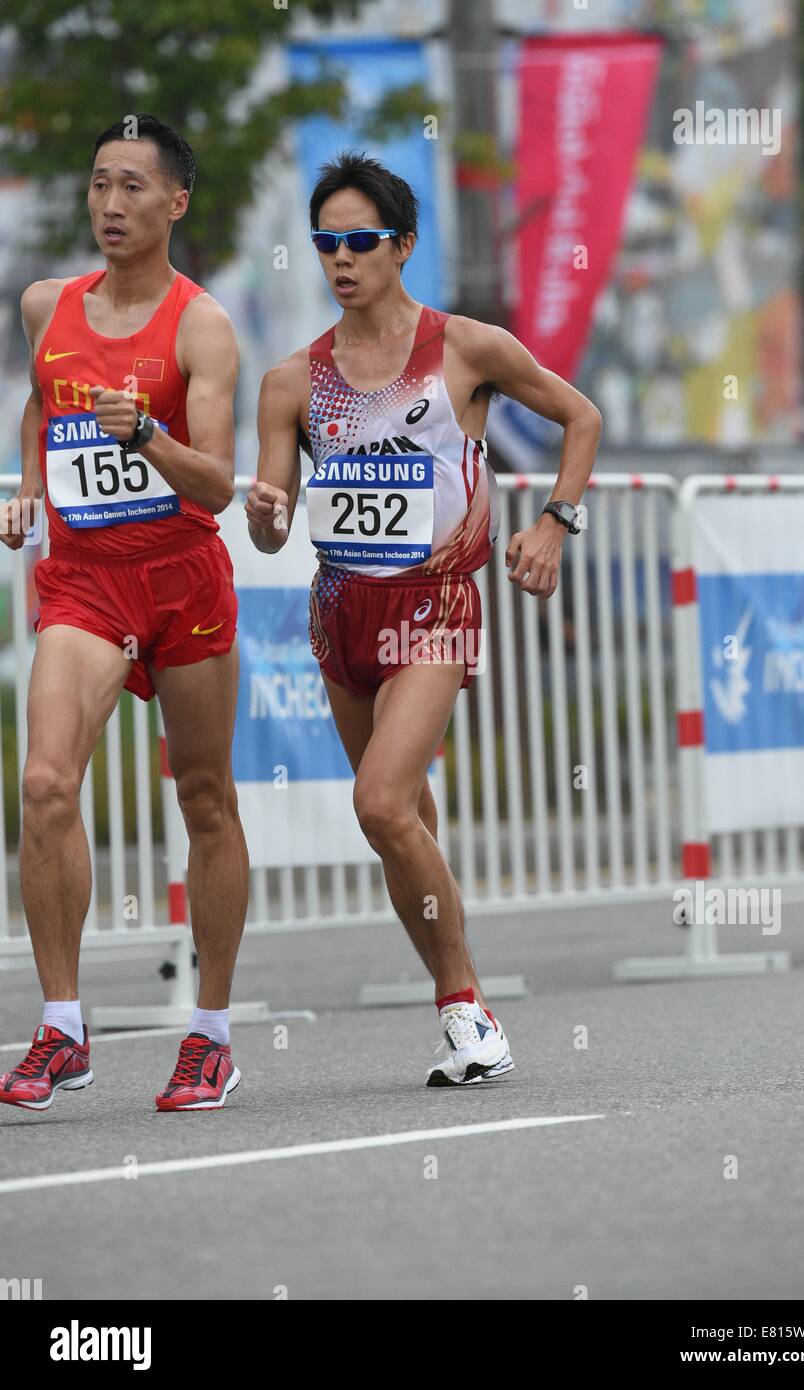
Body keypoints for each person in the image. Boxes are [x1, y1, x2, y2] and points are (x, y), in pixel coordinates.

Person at [246, 151, 600, 1086]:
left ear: (403, 245)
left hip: (434, 607)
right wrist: (263, 512)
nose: (340, 259)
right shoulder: (291, 381)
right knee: (401, 822)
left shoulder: (467, 348)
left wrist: (554, 524)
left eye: (361, 240)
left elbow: (581, 417)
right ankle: (461, 1006)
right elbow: (276, 531)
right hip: (340, 615)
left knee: (377, 802)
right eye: (325, 242)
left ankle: (464, 1006)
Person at [0, 114, 248, 1112]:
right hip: (85, 579)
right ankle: (62, 1025)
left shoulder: (202, 326)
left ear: (175, 202)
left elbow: (221, 483)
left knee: (203, 797)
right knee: (47, 783)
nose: (110, 204)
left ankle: (213, 1033)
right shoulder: (44, 305)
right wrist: (26, 486)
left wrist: (148, 434)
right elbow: (40, 403)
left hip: (182, 576)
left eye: (133, 187)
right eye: (99, 184)